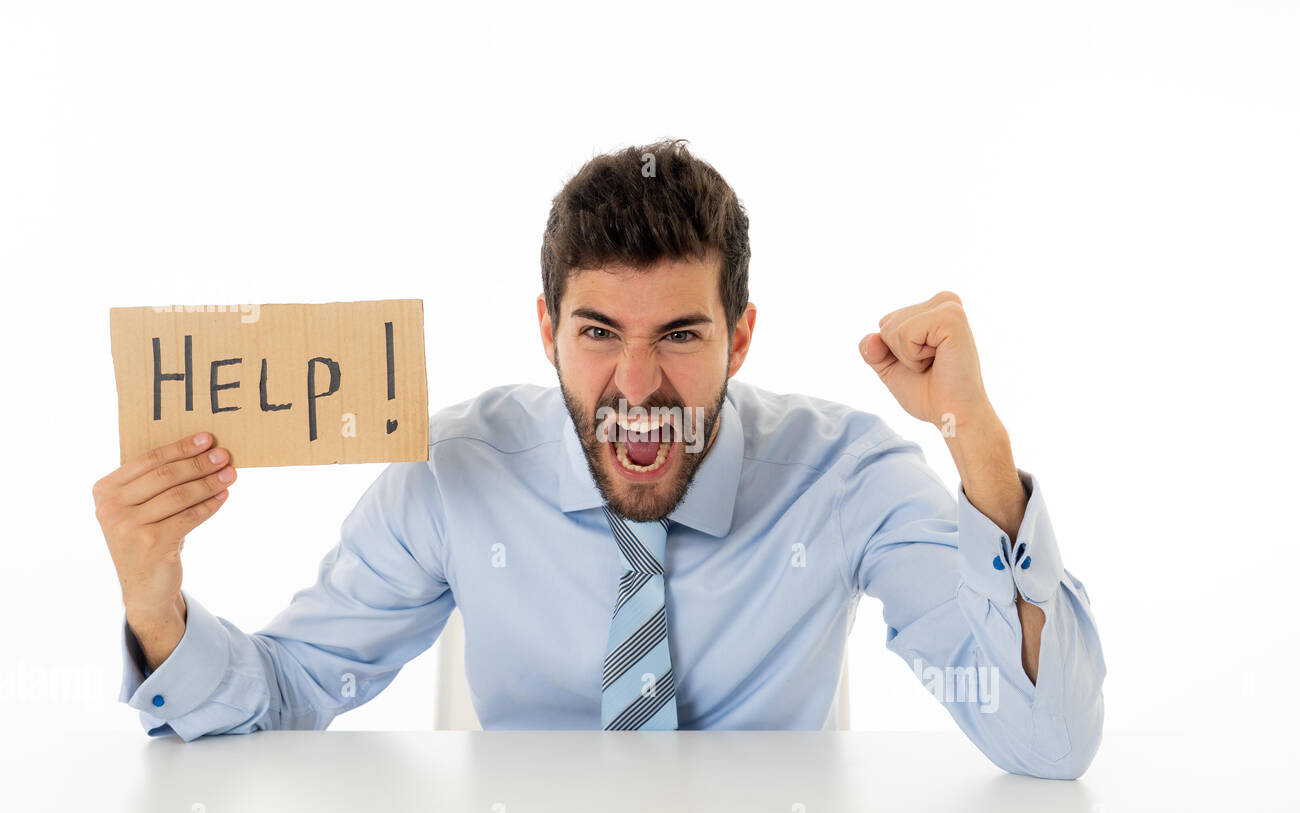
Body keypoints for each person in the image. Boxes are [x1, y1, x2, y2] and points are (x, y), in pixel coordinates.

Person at [94, 139, 1105, 778]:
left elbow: (1047, 742)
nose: (634, 384)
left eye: (677, 335)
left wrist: (978, 443)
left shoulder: (846, 479)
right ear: (544, 329)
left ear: (739, 337)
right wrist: (154, 600)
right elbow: (283, 697)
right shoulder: (451, 473)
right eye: (594, 333)